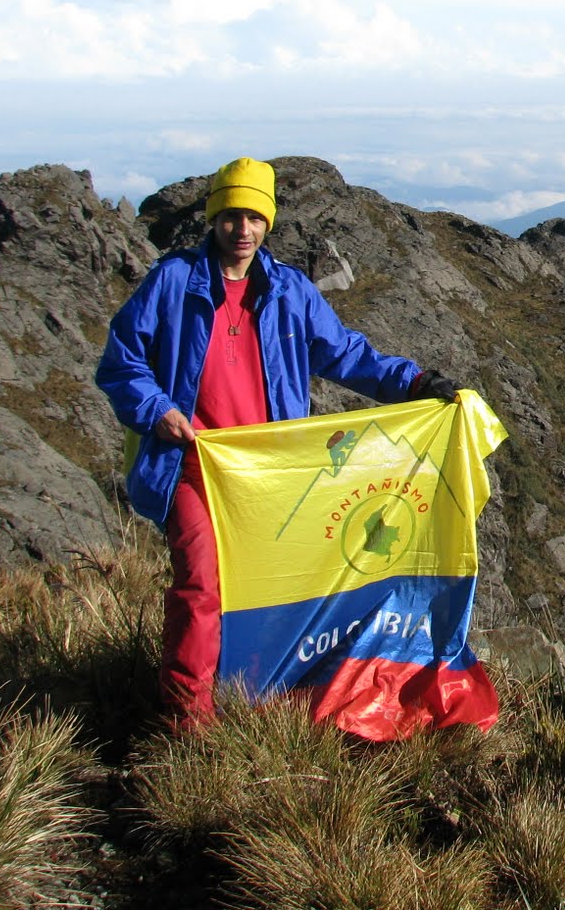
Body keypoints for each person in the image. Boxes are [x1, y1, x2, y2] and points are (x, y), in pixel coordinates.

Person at [95, 157, 459, 728]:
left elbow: (345, 353)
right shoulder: (173, 282)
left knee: (274, 591)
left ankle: (258, 699)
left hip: (270, 475)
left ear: (268, 222)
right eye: (231, 216)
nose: (242, 229)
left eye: (254, 217)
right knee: (201, 584)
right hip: (193, 466)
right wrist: (157, 409)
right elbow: (122, 363)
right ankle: (188, 723)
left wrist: (412, 382)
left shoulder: (289, 290)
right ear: (214, 218)